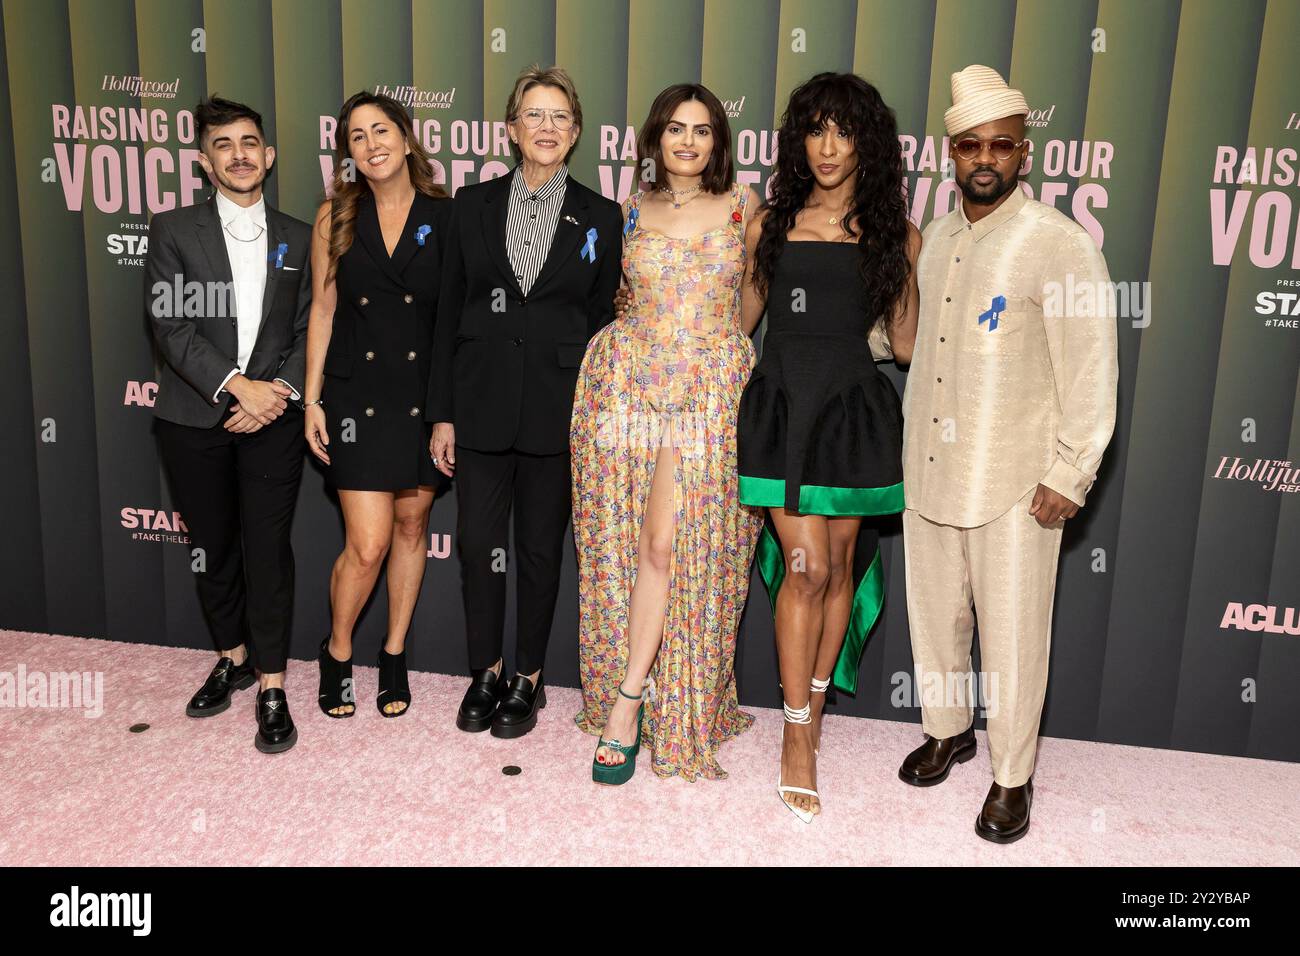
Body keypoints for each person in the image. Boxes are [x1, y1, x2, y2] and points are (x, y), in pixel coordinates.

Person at [897, 65, 1117, 844]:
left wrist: (1071, 471)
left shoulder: (1058, 243)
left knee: (1015, 635)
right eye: (968, 146)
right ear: (948, 152)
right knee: (938, 618)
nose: (983, 158)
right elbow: (912, 343)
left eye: (1001, 145)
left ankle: (1011, 776)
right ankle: (949, 728)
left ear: (1025, 152)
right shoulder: (938, 237)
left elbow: (1092, 367)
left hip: (1017, 480)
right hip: (927, 465)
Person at [736, 73, 920, 821]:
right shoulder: (769, 225)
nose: (829, 147)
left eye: (844, 132)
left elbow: (906, 346)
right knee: (804, 570)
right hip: (782, 410)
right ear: (798, 140)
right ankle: (797, 736)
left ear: (867, 143)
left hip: (854, 412)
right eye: (815, 130)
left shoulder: (896, 236)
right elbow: (740, 318)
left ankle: (814, 701)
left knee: (840, 566)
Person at [572, 84, 763, 784]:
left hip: (707, 395)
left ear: (719, 142)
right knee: (625, 546)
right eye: (675, 128)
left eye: (703, 130)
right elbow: (618, 296)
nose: (688, 141)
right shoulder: (629, 210)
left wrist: (707, 363)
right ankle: (629, 695)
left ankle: (636, 705)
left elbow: (749, 305)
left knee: (672, 545)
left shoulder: (746, 210)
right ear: (654, 138)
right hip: (623, 387)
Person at [428, 65, 622, 738]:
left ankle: (530, 678)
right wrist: (442, 412)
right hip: (478, 406)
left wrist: (596, 417)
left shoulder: (601, 215)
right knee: (480, 546)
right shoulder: (470, 204)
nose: (546, 128)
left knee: (539, 551)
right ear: (511, 129)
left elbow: (603, 325)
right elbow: (447, 311)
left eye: (559, 117)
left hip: (558, 412)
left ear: (575, 133)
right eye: (533, 115)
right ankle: (486, 668)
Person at [148, 95, 311, 754]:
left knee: (268, 553)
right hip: (194, 416)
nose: (240, 154)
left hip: (274, 417)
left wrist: (276, 392)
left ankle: (272, 685)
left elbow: (313, 327)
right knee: (214, 547)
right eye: (224, 144)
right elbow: (170, 323)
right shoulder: (172, 229)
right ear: (204, 160)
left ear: (268, 156)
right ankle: (234, 656)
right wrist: (235, 385)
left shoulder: (302, 235)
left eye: (250, 142)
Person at [304, 91, 450, 719]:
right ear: (349, 152)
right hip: (354, 395)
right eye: (358, 136)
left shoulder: (445, 217)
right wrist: (311, 400)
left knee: (413, 527)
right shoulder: (333, 217)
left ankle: (392, 653)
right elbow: (324, 310)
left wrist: (449, 407)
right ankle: (337, 651)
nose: (372, 144)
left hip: (421, 396)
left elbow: (449, 318)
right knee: (367, 544)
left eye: (382, 129)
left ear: (408, 138)